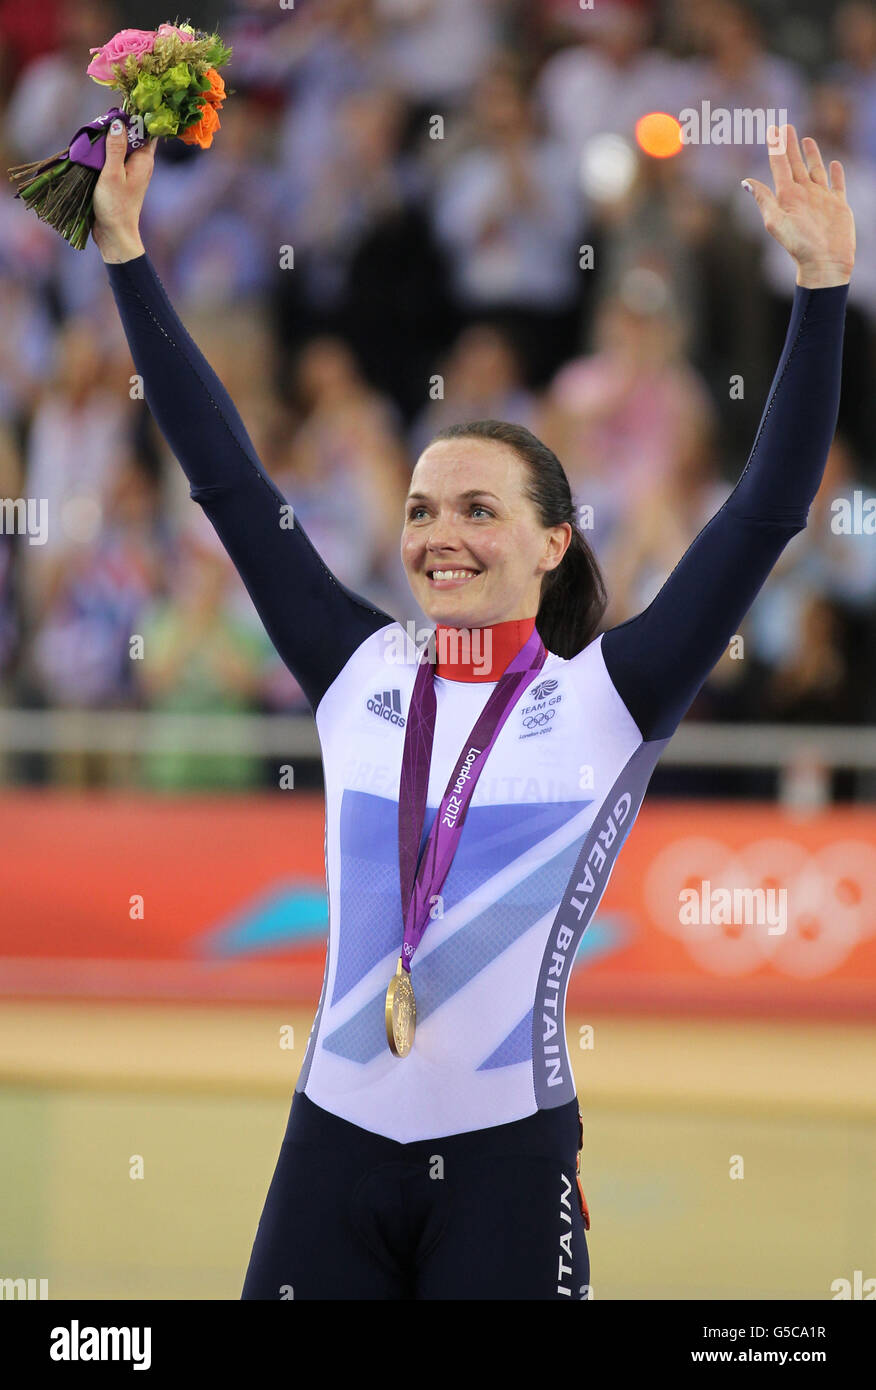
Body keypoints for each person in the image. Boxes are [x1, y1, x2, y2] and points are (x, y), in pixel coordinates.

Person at [92, 117, 853, 1299]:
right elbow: (229, 478)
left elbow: (762, 514)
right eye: (422, 509)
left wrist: (821, 288)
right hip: (333, 1147)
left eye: (479, 509)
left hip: (508, 1163)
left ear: (555, 539)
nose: (441, 533)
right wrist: (127, 253)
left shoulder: (609, 695)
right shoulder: (357, 668)